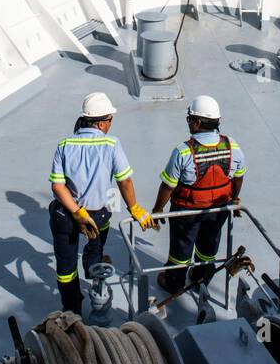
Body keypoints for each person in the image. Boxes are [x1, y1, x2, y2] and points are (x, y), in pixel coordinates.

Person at [48, 92, 155, 313]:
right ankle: (93, 272)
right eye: (110, 120)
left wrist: (77, 212)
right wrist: (134, 207)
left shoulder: (64, 144)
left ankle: (72, 310)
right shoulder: (111, 144)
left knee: (66, 268)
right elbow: (124, 180)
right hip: (97, 215)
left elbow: (58, 186)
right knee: (95, 248)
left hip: (66, 216)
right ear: (102, 122)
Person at [151, 95, 247, 295]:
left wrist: (158, 210)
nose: (188, 123)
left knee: (181, 249)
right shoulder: (232, 146)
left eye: (189, 119)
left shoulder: (184, 152)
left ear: (196, 122)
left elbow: (168, 186)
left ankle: (174, 283)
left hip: (186, 212)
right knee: (208, 246)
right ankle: (201, 277)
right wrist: (235, 199)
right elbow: (238, 177)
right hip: (218, 210)